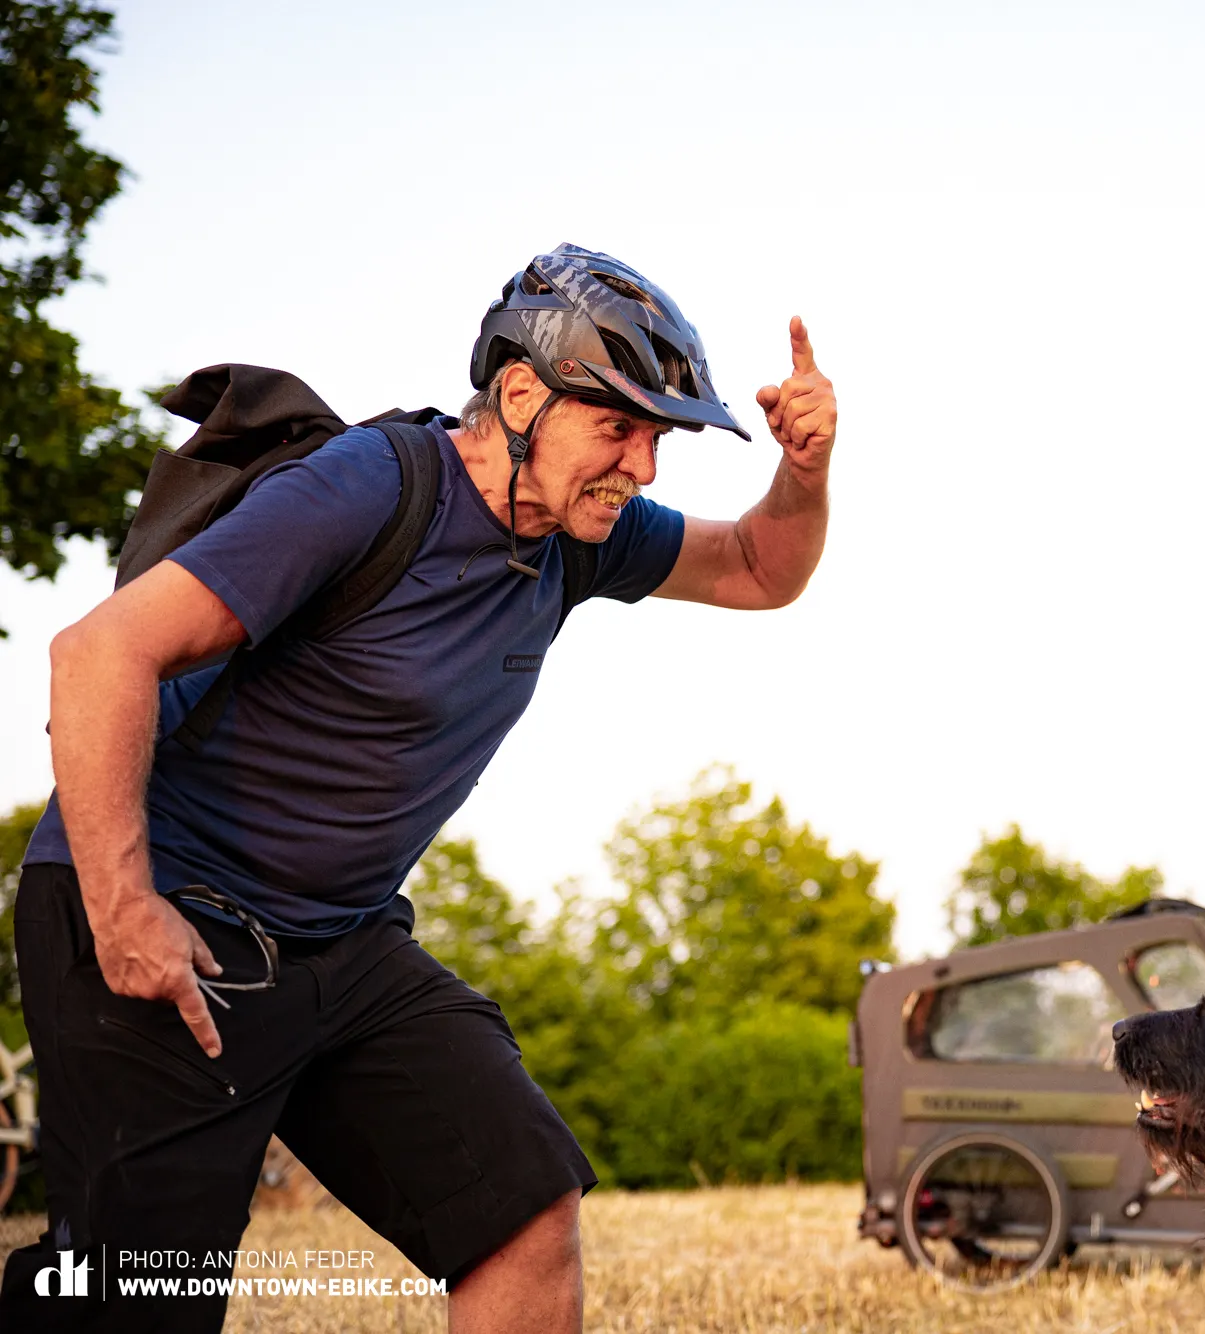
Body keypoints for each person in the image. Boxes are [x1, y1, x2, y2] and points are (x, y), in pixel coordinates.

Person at [0, 243, 837, 1333]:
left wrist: (804, 473)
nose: (643, 465)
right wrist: (123, 910)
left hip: (340, 944)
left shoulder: (578, 534)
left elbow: (759, 570)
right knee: (130, 1303)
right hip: (165, 920)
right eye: (620, 426)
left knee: (522, 1218)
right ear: (523, 395)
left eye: (657, 436)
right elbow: (98, 655)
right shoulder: (370, 487)